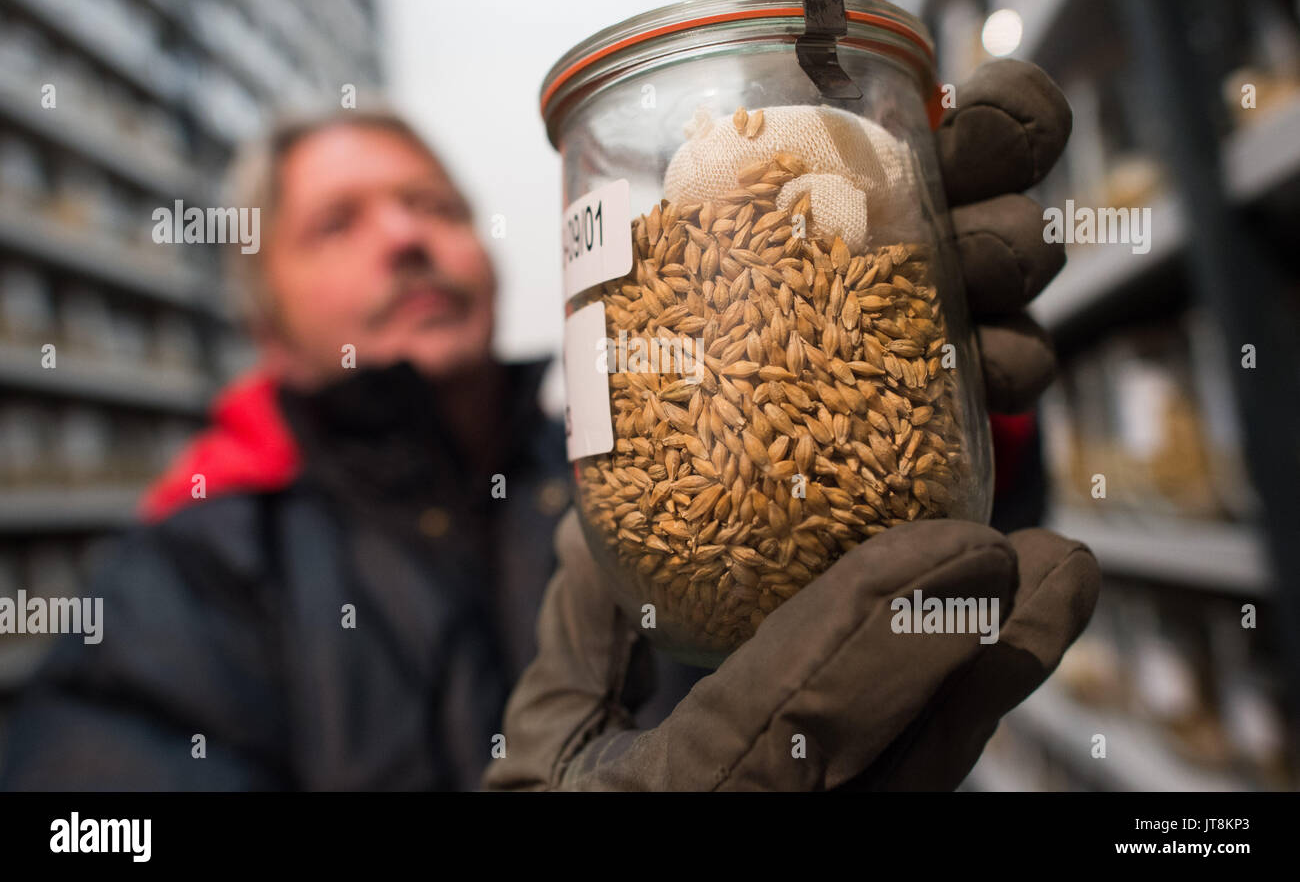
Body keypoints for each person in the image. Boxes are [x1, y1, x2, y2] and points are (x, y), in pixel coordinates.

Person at [0, 60, 1096, 792]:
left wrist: (947, 413)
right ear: (266, 322)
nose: (403, 239)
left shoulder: (623, 463)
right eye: (337, 224)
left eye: (429, 205)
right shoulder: (192, 573)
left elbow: (908, 573)